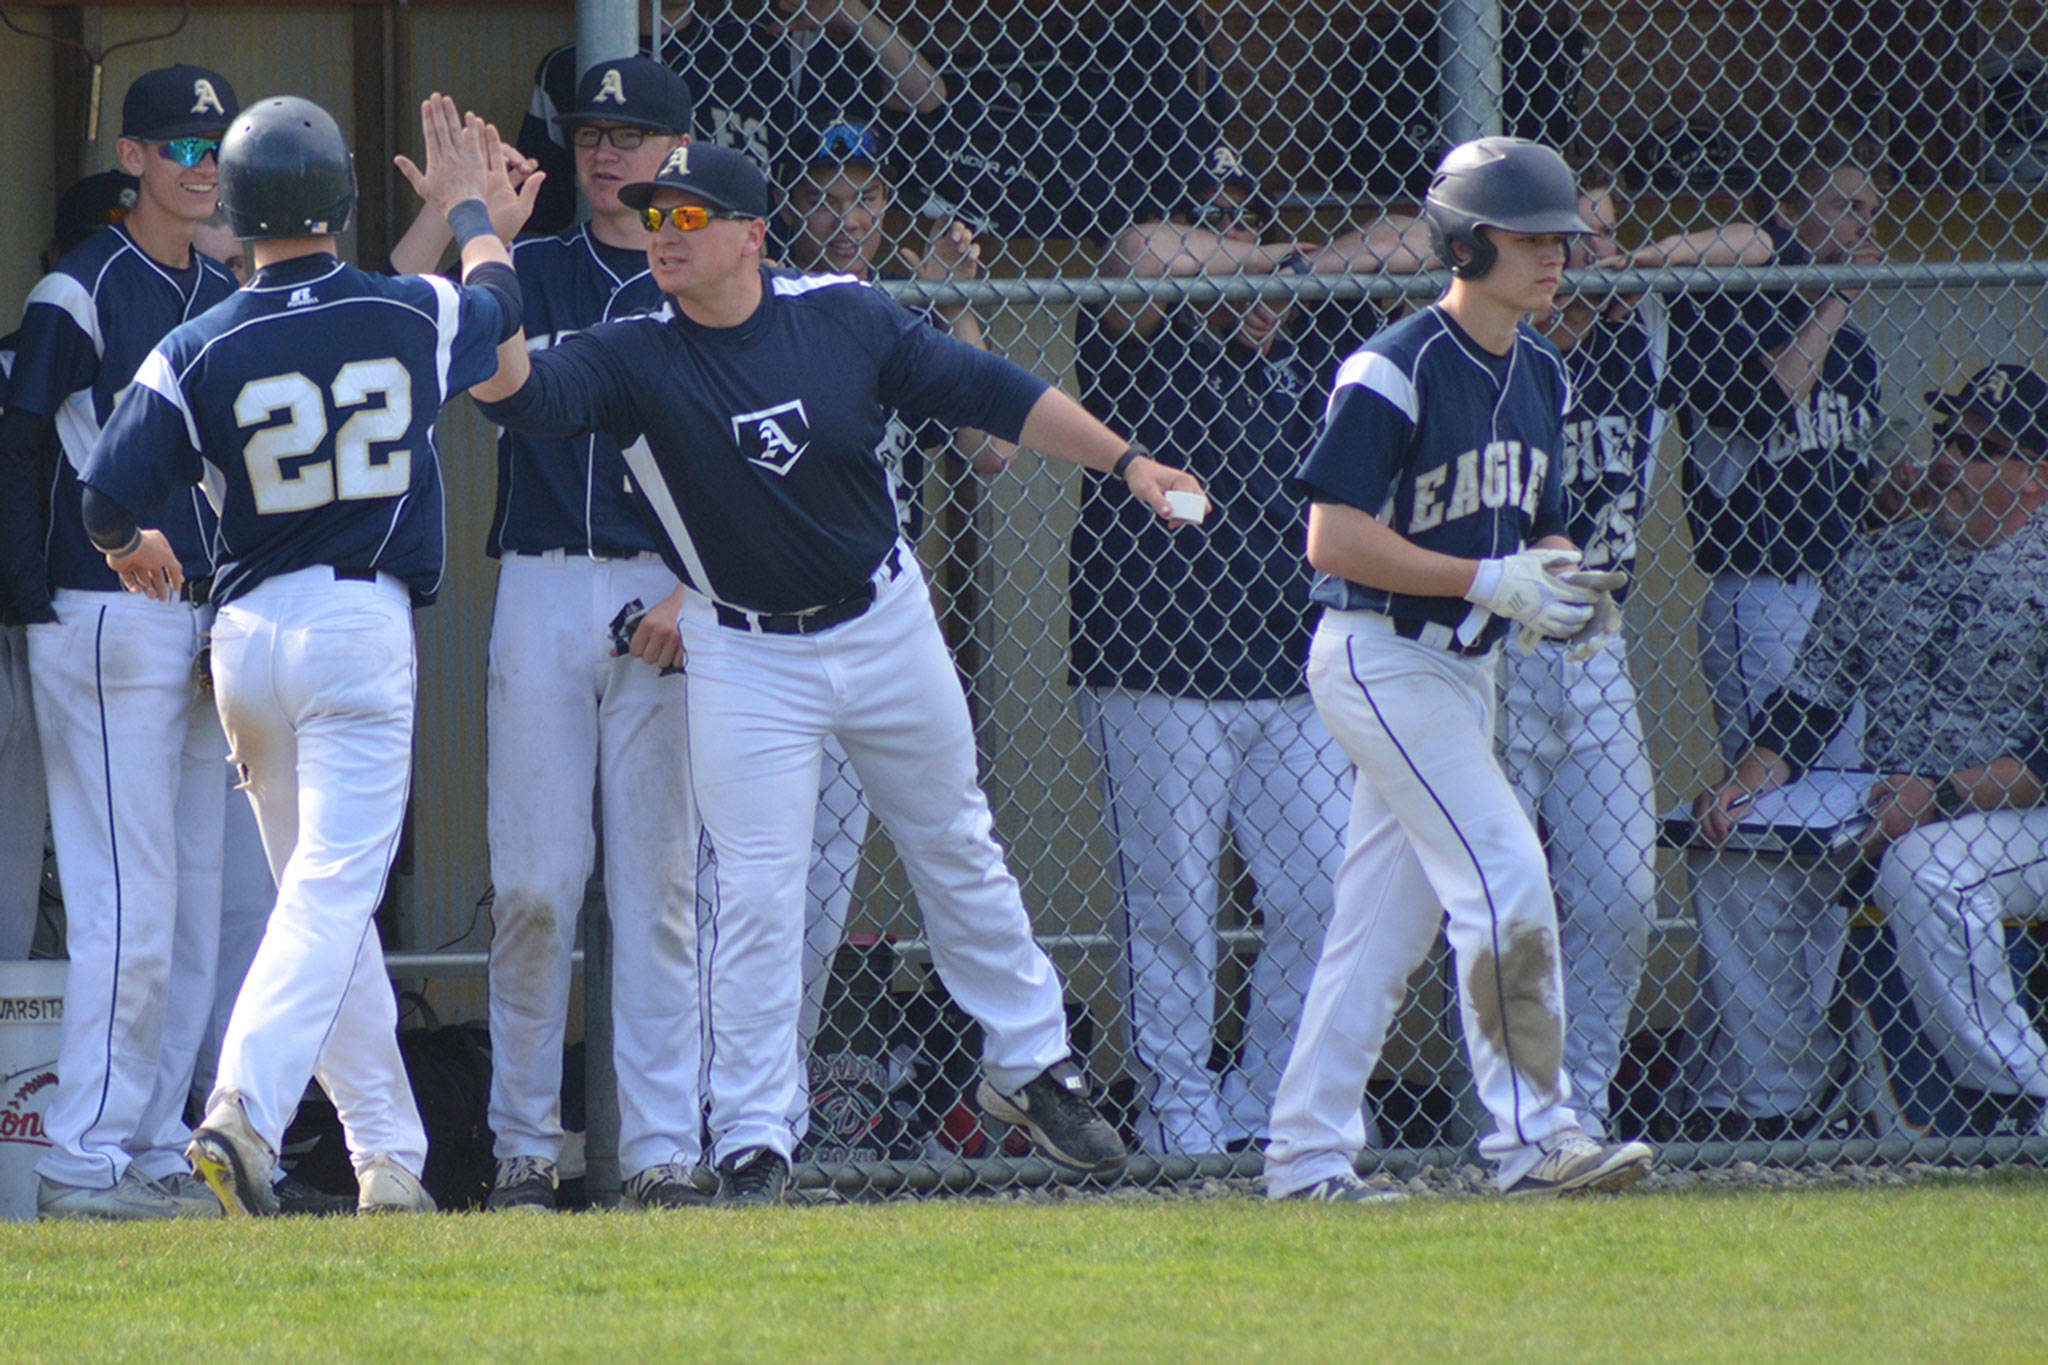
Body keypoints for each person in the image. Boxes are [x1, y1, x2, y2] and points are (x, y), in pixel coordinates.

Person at [471, 142, 1195, 1203]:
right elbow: (513, 392)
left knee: (952, 840)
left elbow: (987, 387)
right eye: (652, 219)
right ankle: (755, 1138)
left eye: (688, 219)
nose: (663, 238)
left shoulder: (842, 314)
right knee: (759, 893)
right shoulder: (632, 352)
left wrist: (1125, 461)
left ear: (751, 235)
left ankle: (1031, 1066)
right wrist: (476, 233)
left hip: (883, 620)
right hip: (746, 649)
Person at [78, 93, 529, 1216]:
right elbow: (496, 300)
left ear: (236, 209)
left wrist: (137, 549)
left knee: (318, 908)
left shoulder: (192, 345)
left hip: (242, 641)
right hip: (353, 633)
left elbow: (101, 500)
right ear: (340, 201)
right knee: (329, 899)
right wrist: (473, 209)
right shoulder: (403, 308)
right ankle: (243, 1106)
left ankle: (390, 1161)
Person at [1263, 137, 1655, 1202]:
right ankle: (1531, 1139)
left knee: (1378, 934)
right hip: (1379, 657)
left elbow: (1544, 532)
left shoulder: (1544, 369)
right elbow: (1330, 540)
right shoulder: (1393, 363)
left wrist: (1559, 587)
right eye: (1530, 239)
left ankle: (1302, 1159)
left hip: (1459, 675)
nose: (1555, 259)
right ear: (1462, 242)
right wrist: (1488, 580)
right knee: (1505, 871)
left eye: (1560, 240)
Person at [1071, 146, 1367, 1156]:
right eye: (1221, 230)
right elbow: (1139, 253)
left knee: (1322, 892)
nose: (1239, 259)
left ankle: (1260, 1110)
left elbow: (1415, 236)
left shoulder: (1306, 326)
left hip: (1287, 671)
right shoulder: (1139, 342)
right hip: (1152, 669)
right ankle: (1178, 1119)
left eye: (1250, 226)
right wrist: (1255, 265)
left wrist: (1286, 269)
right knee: (1171, 910)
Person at [449, 56, 706, 1213]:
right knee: (536, 886)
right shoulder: (528, 266)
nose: (606, 153)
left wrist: (699, 595)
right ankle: (522, 1145)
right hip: (545, 584)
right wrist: (465, 219)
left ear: (674, 151)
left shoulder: (707, 268)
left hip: (671, 589)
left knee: (655, 890)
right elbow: (403, 332)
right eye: (591, 132)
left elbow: (771, 461)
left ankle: (659, 1148)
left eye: (632, 133)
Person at [1, 64, 244, 1220]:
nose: (200, 167)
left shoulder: (226, 284)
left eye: (215, 149)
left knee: (190, 896)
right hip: (100, 611)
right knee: (125, 895)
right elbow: (20, 448)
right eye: (179, 148)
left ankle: (149, 1141)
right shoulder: (79, 285)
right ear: (132, 159)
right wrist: (27, 596)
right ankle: (81, 1155)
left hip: (203, 612)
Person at [1687, 364, 2048, 1141]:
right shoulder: (1880, 557)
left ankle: (2025, 1093)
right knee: (1733, 849)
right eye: (1946, 439)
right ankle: (1781, 1099)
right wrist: (1747, 781)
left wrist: (1941, 795)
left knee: (1925, 865)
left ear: (2037, 476)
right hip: (1896, 802)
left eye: (1981, 448)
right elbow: (1807, 704)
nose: (1949, 461)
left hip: (2020, 813)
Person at [774, 117, 1007, 1149]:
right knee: (737, 886)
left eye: (864, 197)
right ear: (786, 208)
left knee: (824, 894)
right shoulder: (763, 305)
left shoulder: (902, 312)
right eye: (824, 195)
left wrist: (951, 295)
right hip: (764, 621)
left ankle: (771, 1103)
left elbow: (991, 448)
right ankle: (709, 1107)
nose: (844, 218)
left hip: (874, 623)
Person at [1496, 158, 1664, 1137]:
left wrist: (1618, 255)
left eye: (1594, 234)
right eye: (1561, 236)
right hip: (1489, 635)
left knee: (1616, 893)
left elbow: (1763, 247)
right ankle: (1513, 1116)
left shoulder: (1635, 337)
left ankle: (1582, 1106)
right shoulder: (1491, 350)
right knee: (1502, 895)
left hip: (1594, 623)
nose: (1583, 254)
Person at [1635, 139, 1886, 765]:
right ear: (1785, 211)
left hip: (1844, 588)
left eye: (1871, 211)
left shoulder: (1854, 348)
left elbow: (1866, 476)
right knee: (1776, 789)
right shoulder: (1719, 316)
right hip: (1761, 587)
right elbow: (1777, 396)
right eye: (1845, 205)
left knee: (1849, 782)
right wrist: (1838, 299)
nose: (1864, 226)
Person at [517, 0, 946, 237]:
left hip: (750, 275)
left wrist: (848, 11)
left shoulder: (760, 50)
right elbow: (538, 211)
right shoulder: (572, 69)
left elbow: (924, 97)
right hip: (627, 268)